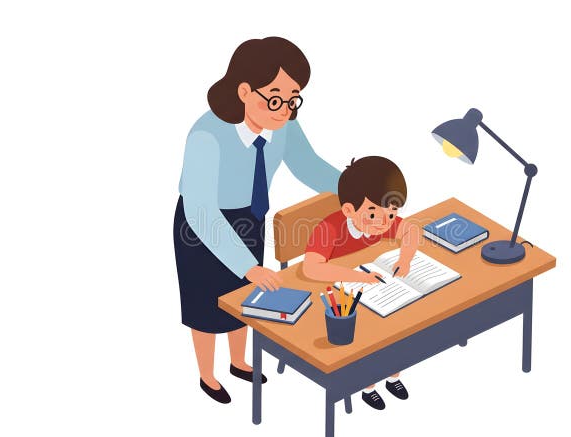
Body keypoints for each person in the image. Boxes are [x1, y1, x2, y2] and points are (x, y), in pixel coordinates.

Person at [174, 37, 341, 404]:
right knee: (206, 305)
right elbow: (201, 210)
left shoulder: (284, 125)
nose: (285, 110)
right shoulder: (206, 135)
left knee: (246, 296)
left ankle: (238, 361)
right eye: (276, 98)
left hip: (250, 216)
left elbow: (308, 165)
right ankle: (207, 375)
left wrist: (349, 186)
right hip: (201, 225)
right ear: (245, 91)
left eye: (293, 99)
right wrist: (247, 265)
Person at [302, 156, 421, 410]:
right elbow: (311, 268)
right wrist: (361, 277)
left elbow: (411, 230)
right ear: (349, 210)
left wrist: (405, 259)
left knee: (395, 323)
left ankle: (393, 376)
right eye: (374, 213)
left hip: (370, 292)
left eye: (392, 213)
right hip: (334, 299)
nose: (384, 222)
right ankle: (367, 385)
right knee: (365, 332)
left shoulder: (380, 223)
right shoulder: (330, 228)